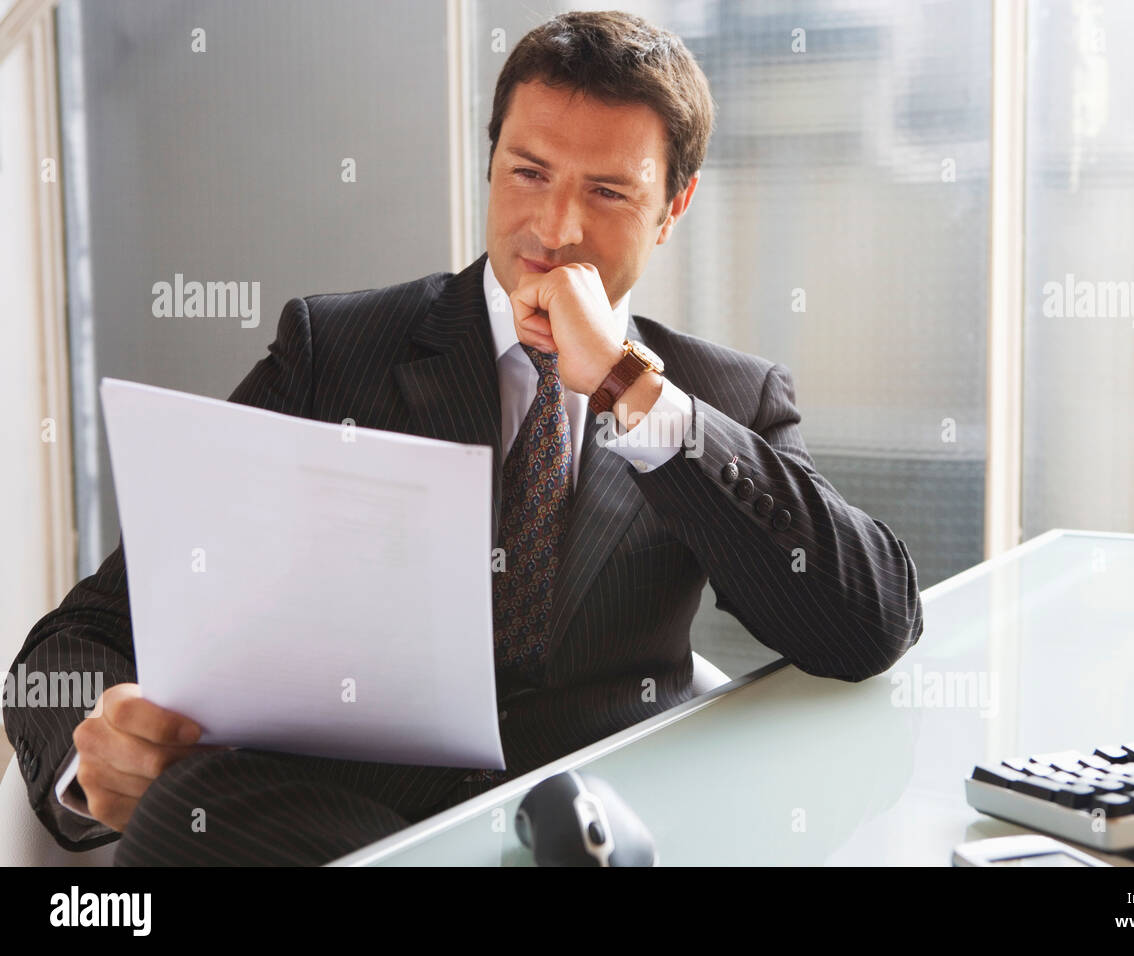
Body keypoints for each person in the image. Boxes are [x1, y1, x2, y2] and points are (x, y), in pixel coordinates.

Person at [4, 10, 923, 866]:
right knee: (183, 810)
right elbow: (78, 635)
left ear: (672, 207)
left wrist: (627, 387)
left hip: (591, 826)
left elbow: (867, 624)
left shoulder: (719, 395)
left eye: (607, 192)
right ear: (491, 165)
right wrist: (96, 755)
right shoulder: (339, 351)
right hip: (349, 826)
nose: (555, 231)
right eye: (529, 173)